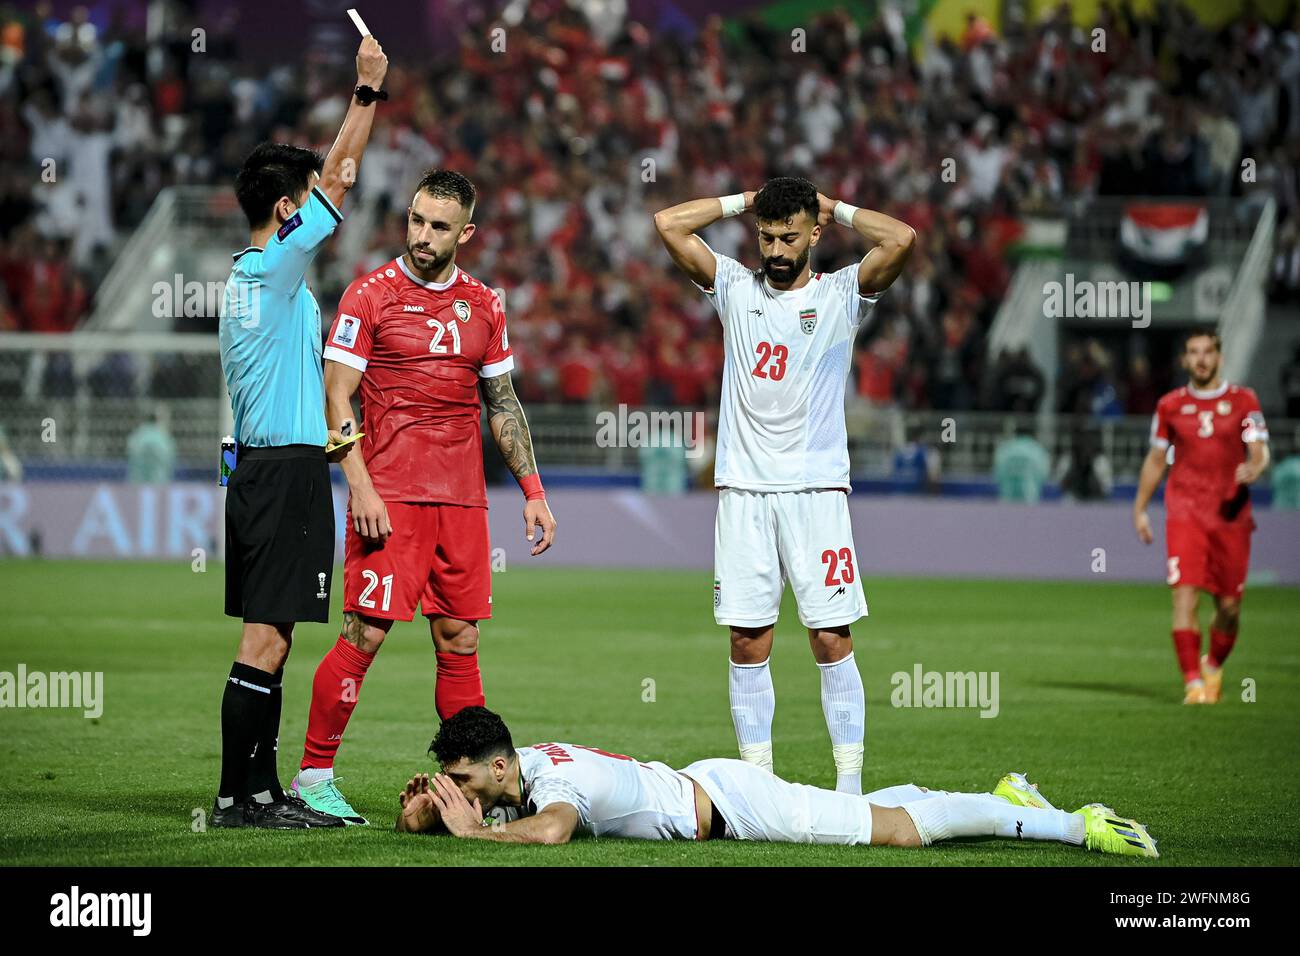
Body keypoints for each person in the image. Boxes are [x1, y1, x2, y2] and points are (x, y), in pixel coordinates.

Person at [290, 170, 557, 825]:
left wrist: (533, 491)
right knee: (367, 631)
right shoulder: (370, 295)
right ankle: (313, 776)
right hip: (391, 495)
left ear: (465, 232)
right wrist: (359, 487)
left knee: (459, 637)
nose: (423, 236)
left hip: (461, 500)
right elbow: (336, 394)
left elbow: (503, 403)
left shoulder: (486, 305)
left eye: (439, 226)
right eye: (416, 220)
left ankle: (469, 789)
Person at [653, 176, 914, 793]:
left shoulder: (841, 294)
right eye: (766, 236)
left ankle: (848, 786)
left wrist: (840, 207)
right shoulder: (735, 287)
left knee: (830, 636)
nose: (774, 248)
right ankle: (757, 785)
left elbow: (902, 238)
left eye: (788, 236)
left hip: (816, 491)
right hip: (742, 489)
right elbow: (668, 223)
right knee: (748, 640)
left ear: (815, 234)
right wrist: (745, 200)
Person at [211, 34, 388, 828]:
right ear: (286, 210)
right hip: (282, 472)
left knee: (273, 640)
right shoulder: (274, 271)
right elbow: (341, 179)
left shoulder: (244, 282)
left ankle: (259, 790)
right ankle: (237, 797)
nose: (318, 203)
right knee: (265, 643)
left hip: (259, 469)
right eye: (305, 197)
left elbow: (329, 184)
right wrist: (366, 94)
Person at [394, 706, 1157, 858]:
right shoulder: (522, 773)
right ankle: (1008, 795)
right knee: (867, 810)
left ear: (498, 765)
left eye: (464, 780)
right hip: (708, 788)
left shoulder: (556, 783)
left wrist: (466, 831)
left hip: (735, 807)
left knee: (897, 833)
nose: (464, 790)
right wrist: (426, 815)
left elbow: (555, 830)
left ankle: (1069, 823)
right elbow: (515, 818)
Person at [1133, 329, 1271, 704]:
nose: (1201, 359)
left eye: (1208, 352)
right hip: (1185, 512)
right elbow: (1157, 459)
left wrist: (1255, 467)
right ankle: (1193, 684)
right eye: (1193, 353)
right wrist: (1140, 507)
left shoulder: (1244, 401)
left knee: (1228, 607)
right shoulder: (1169, 406)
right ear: (1184, 360)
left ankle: (1213, 663)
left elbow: (1259, 449)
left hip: (1230, 515)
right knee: (1185, 596)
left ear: (1219, 357)